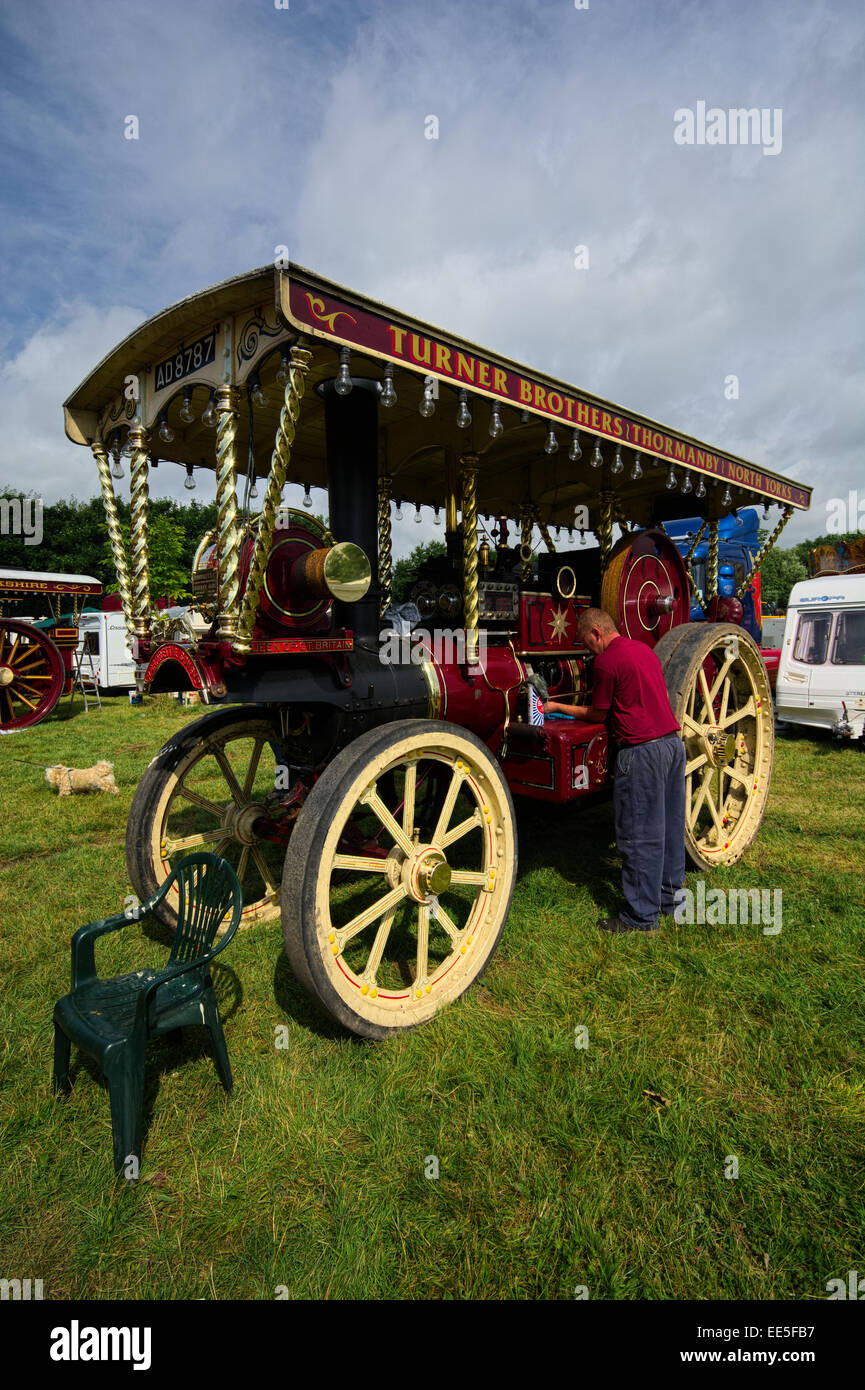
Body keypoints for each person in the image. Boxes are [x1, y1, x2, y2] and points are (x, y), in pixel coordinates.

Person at [543, 607, 685, 933]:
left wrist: (555, 706)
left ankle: (640, 917)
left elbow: (597, 714)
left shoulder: (606, 662)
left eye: (585, 642)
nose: (585, 650)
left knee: (640, 835)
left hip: (642, 752)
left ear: (596, 633)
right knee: (670, 827)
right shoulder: (644, 650)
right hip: (672, 745)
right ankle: (670, 899)